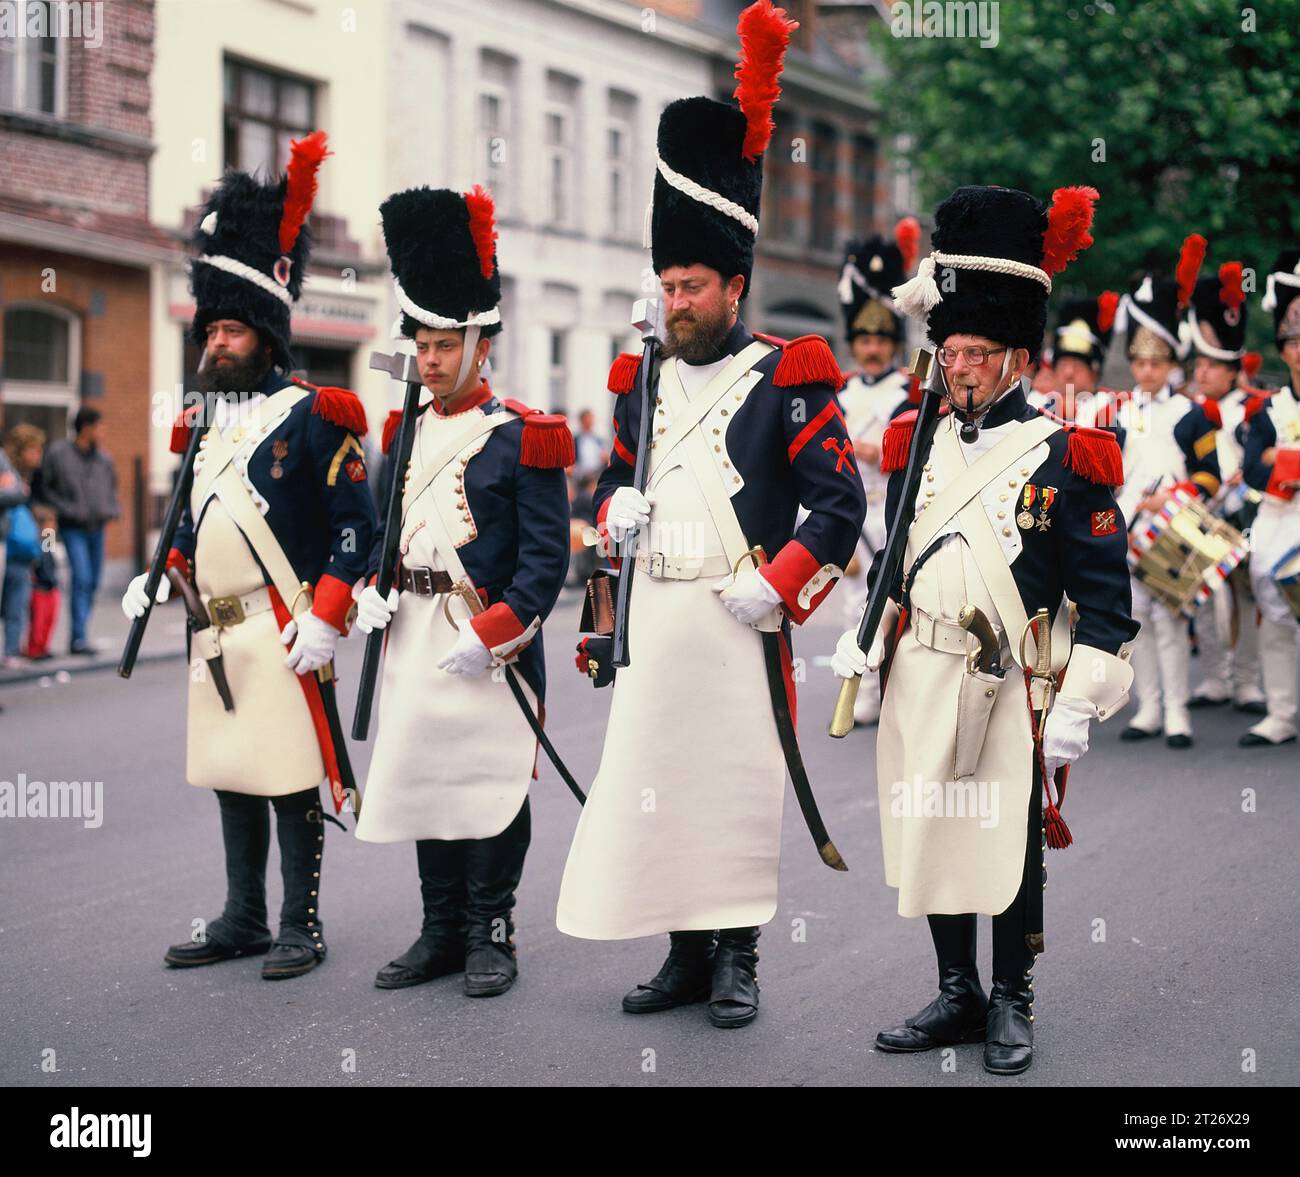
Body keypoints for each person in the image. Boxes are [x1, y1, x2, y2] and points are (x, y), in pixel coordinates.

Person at [555, 0, 866, 1031]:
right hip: (657, 617)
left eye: (690, 285)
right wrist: (615, 507)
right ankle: (684, 957)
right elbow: (610, 484)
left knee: (732, 795)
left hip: (737, 617)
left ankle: (736, 961)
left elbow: (839, 505)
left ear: (733, 284)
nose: (672, 301)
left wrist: (772, 588)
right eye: (666, 283)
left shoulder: (792, 377)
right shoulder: (639, 380)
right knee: (659, 789)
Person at [832, 183, 1138, 1076]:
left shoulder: (1065, 455)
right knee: (934, 830)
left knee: (1002, 842)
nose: (957, 367)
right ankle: (958, 987)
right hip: (921, 669)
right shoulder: (914, 442)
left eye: (975, 353)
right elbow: (900, 561)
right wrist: (868, 630)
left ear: (1015, 360)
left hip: (1013, 680)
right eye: (950, 350)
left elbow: (1109, 606)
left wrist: (1079, 701)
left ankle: (1012, 998)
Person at [120, 132, 376, 979]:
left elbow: (355, 524)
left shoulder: (315, 415)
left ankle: (301, 923)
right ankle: (243, 915)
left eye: (234, 329)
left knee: (291, 777)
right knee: (233, 771)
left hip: (284, 623)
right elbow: (194, 523)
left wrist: (330, 616)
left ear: (267, 336)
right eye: (213, 328)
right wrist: (163, 575)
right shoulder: (203, 423)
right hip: (215, 628)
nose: (219, 343)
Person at [352, 184, 572, 998]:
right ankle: (440, 930)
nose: (431, 358)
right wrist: (374, 593)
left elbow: (546, 563)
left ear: (480, 345)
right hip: (412, 629)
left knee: (487, 784)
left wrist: (495, 634)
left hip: (486, 636)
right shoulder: (399, 431)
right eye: (422, 343)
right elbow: (382, 529)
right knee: (425, 778)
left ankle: (492, 931)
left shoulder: (525, 434)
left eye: (446, 344)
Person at [1111, 239, 1222, 748]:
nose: (1147, 372)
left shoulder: (1193, 413)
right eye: (1139, 362)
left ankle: (1178, 711)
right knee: (1136, 626)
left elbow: (1211, 476)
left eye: (1156, 363)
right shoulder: (1118, 413)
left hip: (1174, 528)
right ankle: (1149, 708)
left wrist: (1174, 497)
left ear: (1170, 363)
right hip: (1129, 531)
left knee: (1173, 621)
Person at [835, 222, 920, 723]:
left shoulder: (909, 393)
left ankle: (895, 695)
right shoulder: (838, 392)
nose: (871, 347)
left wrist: (876, 451)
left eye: (880, 339)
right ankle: (864, 697)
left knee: (897, 614)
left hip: (892, 512)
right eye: (863, 338)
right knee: (854, 611)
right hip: (852, 513)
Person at [1184, 263, 1265, 712]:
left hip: (1244, 517)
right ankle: (1214, 678)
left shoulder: (1255, 409)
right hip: (1205, 515)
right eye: (1198, 364)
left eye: (1210, 365)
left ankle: (1247, 683)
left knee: (1247, 601)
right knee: (1204, 600)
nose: (1202, 373)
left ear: (1232, 368)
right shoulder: (1192, 410)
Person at [1237, 247, 1300, 747]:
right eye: (1293, 340)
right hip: (1277, 521)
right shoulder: (1267, 409)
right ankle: (1281, 712)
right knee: (1275, 619)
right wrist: (1287, 467)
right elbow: (1251, 468)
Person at [39, 405, 119, 654]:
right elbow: (44, 487)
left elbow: (112, 487)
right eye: (99, 427)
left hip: (98, 527)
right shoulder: (58, 454)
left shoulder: (104, 459)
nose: (102, 432)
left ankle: (80, 633)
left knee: (93, 581)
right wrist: (65, 509)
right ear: (86, 428)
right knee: (81, 578)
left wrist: (111, 508)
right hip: (72, 527)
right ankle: (78, 637)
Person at [1, 424, 46, 666]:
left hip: (29, 545)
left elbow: (47, 516)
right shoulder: (10, 470)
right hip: (12, 543)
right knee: (14, 600)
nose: (39, 455)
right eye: (34, 450)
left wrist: (47, 549)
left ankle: (18, 649)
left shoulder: (36, 476)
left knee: (21, 600)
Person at [572, 409, 608, 481]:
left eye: (591, 418)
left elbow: (604, 456)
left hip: (596, 474)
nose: (590, 421)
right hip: (580, 476)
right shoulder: (575, 440)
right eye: (588, 418)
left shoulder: (598, 440)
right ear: (582, 420)